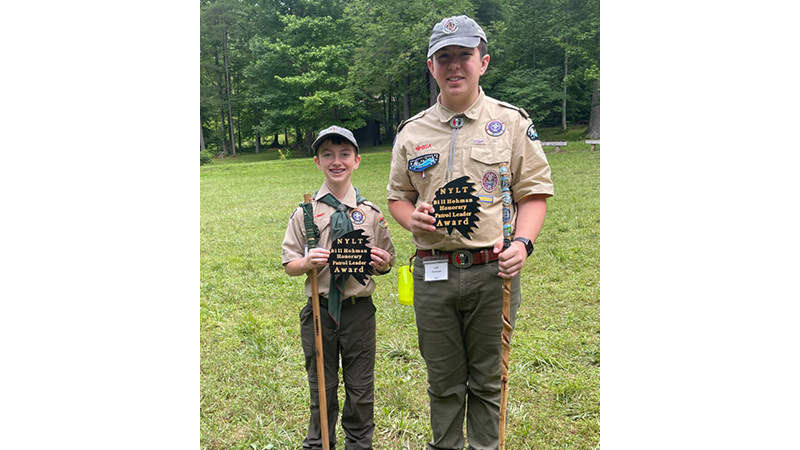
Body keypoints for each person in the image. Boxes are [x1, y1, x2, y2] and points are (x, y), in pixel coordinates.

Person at [386, 15, 554, 450]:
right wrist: (412, 219)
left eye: (463, 55)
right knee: (442, 381)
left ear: (483, 61)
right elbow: (398, 198)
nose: (454, 65)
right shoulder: (411, 132)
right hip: (433, 271)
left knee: (488, 380)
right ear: (431, 66)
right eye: (445, 57)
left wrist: (523, 243)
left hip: (490, 274)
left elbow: (534, 193)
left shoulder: (511, 122)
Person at [282, 125, 396, 450]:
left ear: (357, 160)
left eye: (344, 154)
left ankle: (359, 445)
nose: (337, 161)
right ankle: (320, 444)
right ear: (317, 161)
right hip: (318, 311)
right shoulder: (305, 214)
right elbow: (290, 264)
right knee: (322, 385)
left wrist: (383, 261)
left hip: (359, 313)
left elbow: (387, 260)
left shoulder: (371, 213)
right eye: (328, 155)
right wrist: (307, 263)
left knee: (361, 389)